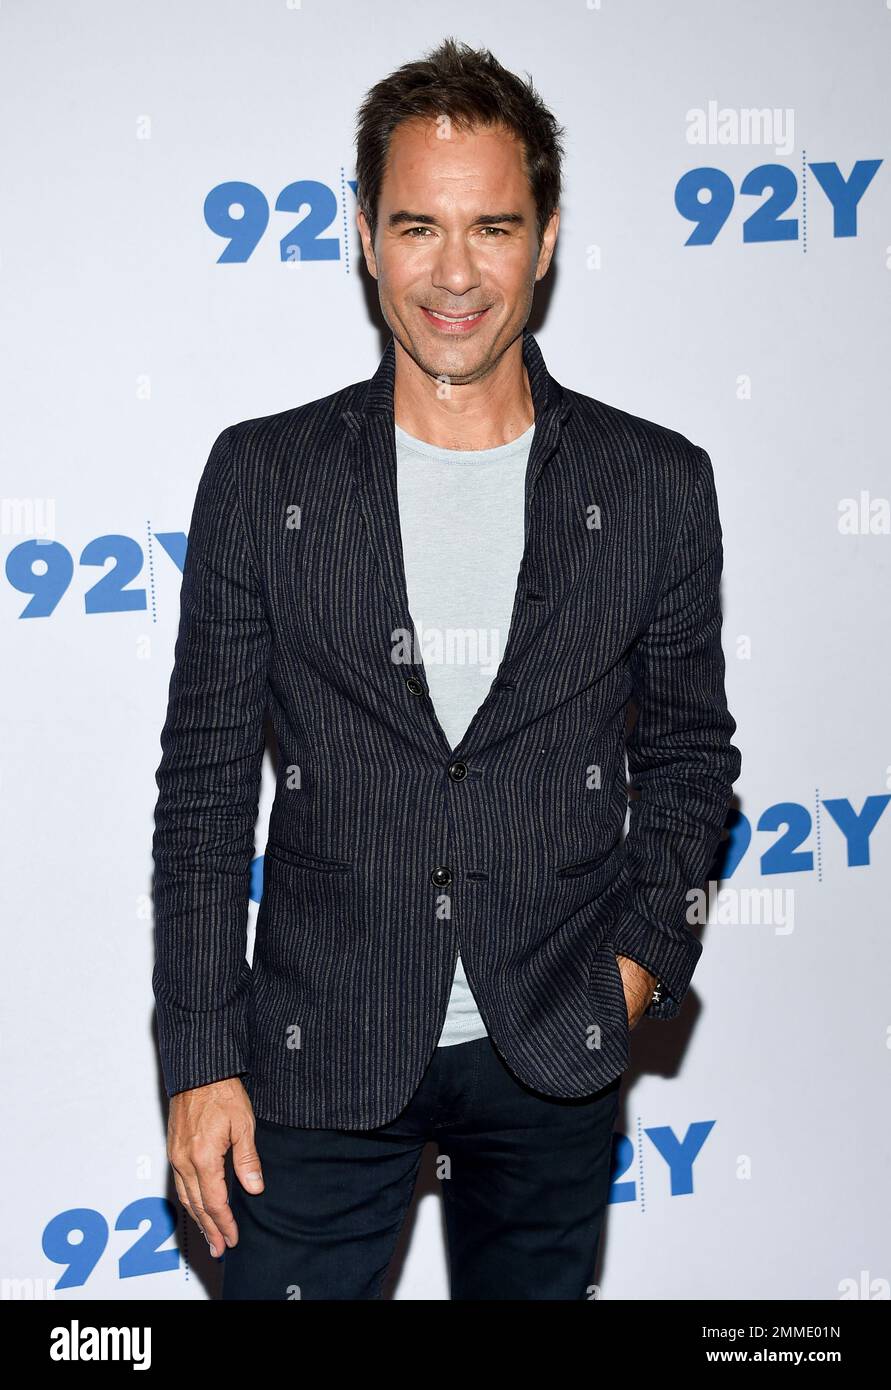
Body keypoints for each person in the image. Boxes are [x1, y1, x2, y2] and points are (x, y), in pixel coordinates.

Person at [151, 37, 742, 1300]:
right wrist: (198, 1055)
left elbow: (693, 764)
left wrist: (632, 975)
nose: (456, 273)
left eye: (493, 227)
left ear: (547, 238)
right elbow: (204, 794)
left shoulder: (654, 484)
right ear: (364, 235)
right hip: (314, 1052)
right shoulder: (265, 477)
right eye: (418, 226)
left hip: (554, 1046)